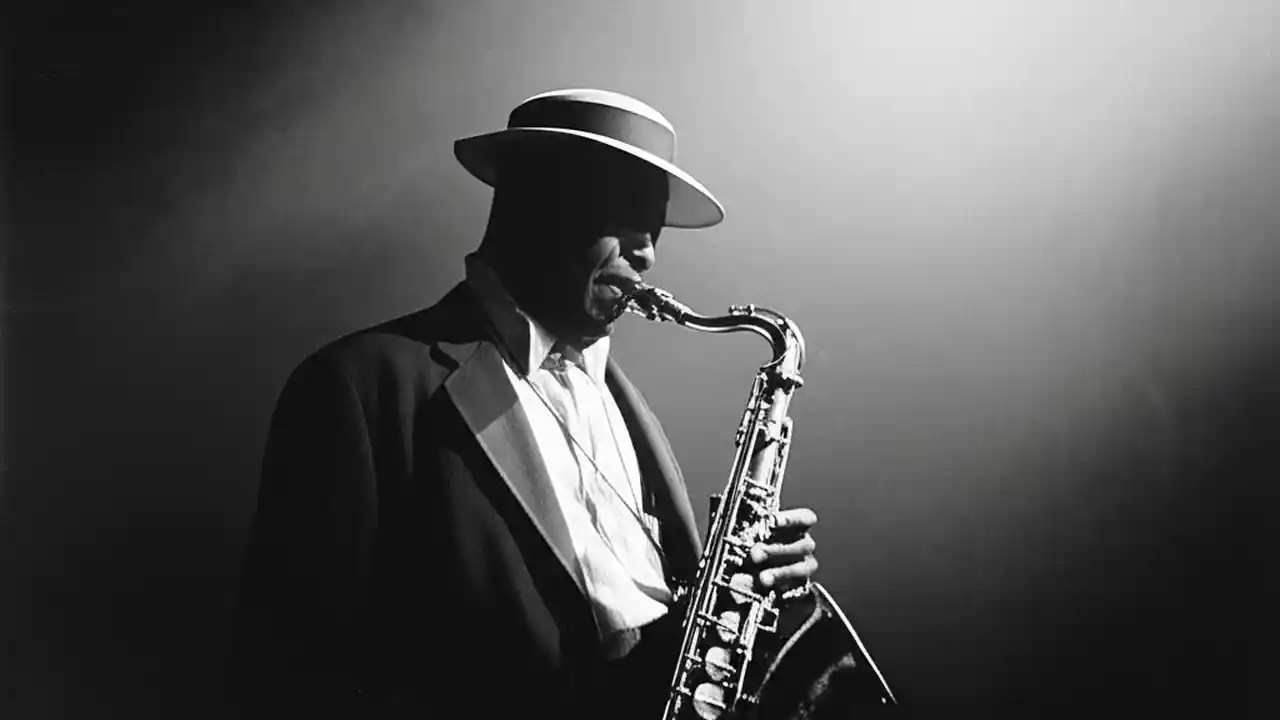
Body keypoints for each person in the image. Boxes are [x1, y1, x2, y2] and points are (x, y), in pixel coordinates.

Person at [227, 88, 827, 719]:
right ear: (537, 201)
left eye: (653, 227)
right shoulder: (356, 385)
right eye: (622, 217)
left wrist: (742, 587)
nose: (646, 253)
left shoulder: (626, 405)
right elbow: (283, 679)